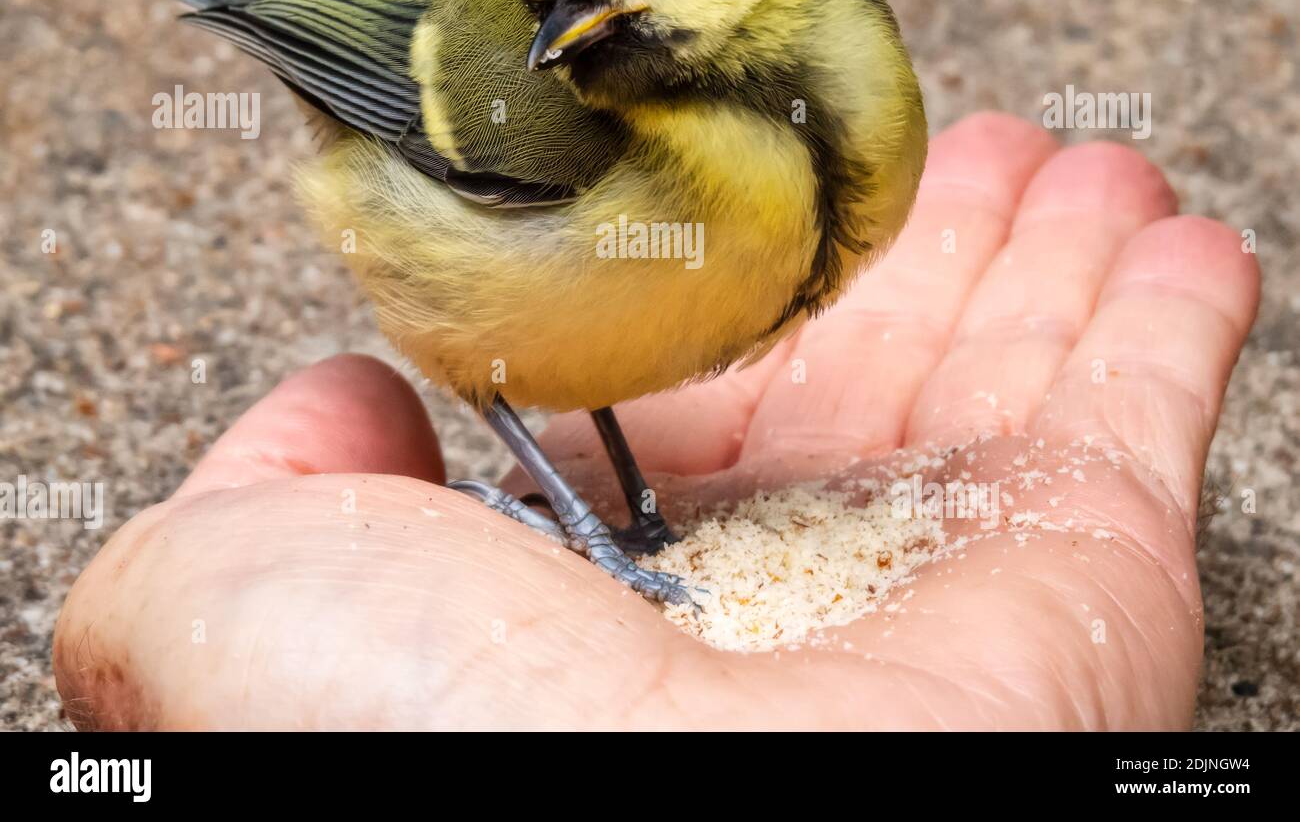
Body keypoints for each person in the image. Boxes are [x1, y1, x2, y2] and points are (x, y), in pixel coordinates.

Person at [53, 114, 1260, 730]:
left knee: (595, 355)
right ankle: (588, 512)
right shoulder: (566, 104)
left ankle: (609, 505)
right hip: (444, 214)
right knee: (509, 356)